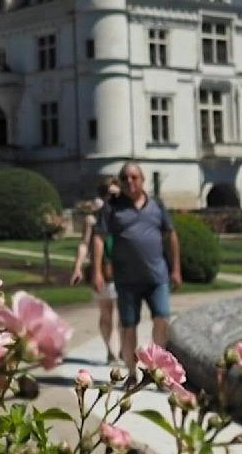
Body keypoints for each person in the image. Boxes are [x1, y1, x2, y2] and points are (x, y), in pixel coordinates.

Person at [91, 162, 181, 379]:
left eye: (134, 177)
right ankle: (131, 373)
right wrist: (97, 271)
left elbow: (171, 234)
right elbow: (99, 238)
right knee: (128, 326)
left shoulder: (157, 205)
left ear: (143, 180)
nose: (129, 182)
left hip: (157, 277)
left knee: (162, 319)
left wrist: (176, 269)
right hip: (126, 280)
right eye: (125, 178)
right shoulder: (112, 207)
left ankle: (155, 366)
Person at [70, 178, 121, 364]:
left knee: (125, 314)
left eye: (117, 194)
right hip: (103, 271)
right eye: (110, 195)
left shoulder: (124, 215)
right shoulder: (92, 219)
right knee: (106, 313)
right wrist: (78, 267)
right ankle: (110, 351)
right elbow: (84, 244)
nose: (114, 199)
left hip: (124, 270)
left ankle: (124, 348)